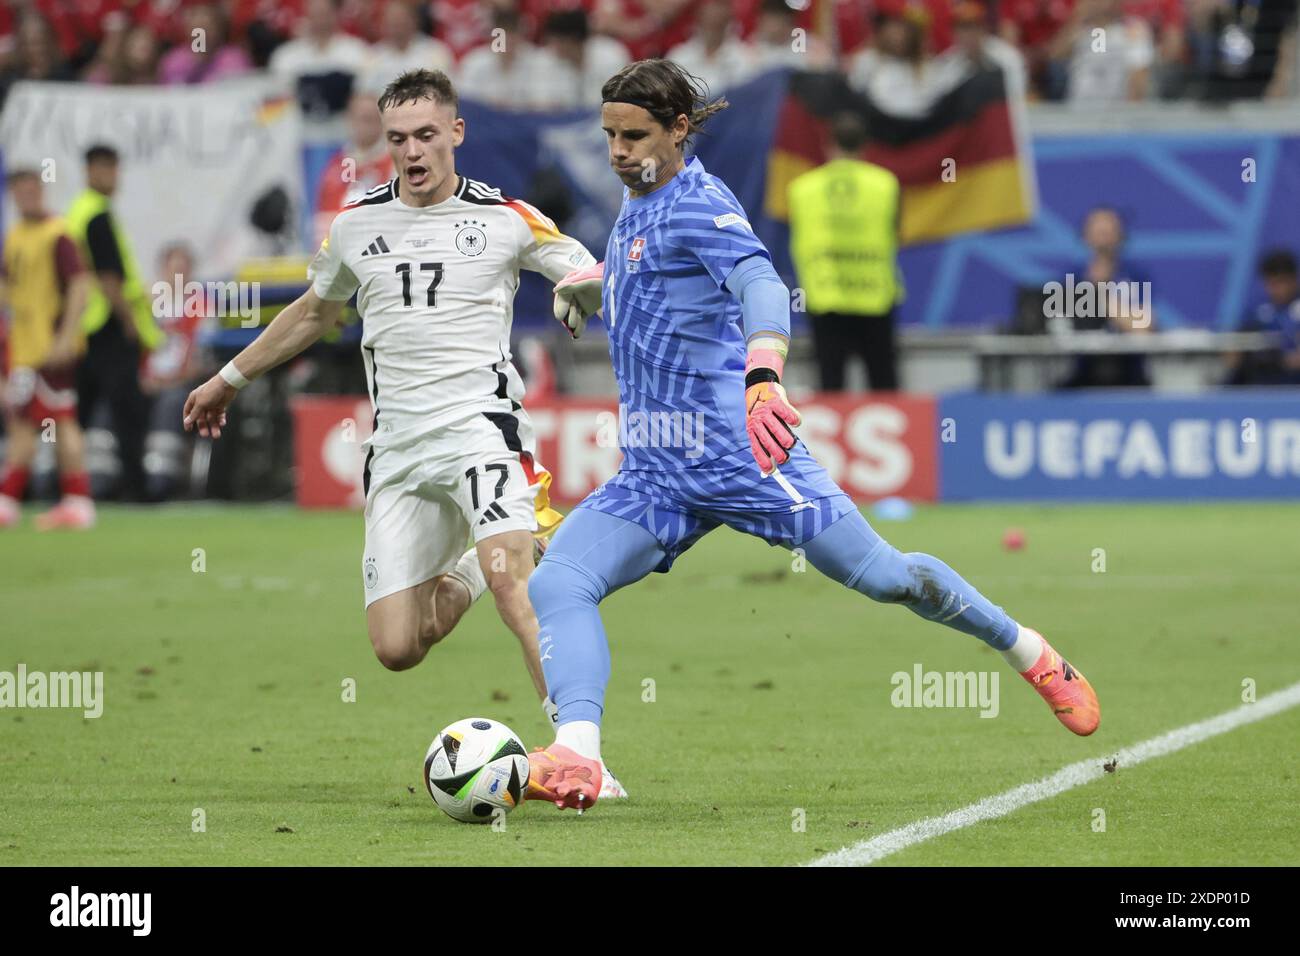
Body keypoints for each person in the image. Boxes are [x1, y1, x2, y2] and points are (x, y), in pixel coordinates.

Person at [525, 59, 1101, 811]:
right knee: (557, 581)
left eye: (634, 135)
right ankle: (579, 755)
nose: (618, 150)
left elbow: (759, 281)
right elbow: (657, 271)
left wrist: (763, 372)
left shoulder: (699, 204)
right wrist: (594, 283)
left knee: (891, 578)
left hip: (743, 455)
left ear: (677, 131)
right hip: (657, 472)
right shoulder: (639, 200)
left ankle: (1027, 649)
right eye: (608, 135)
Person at [181, 69, 626, 798]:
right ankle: (480, 563)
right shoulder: (355, 226)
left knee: (525, 589)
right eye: (398, 139)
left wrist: (584, 286)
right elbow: (313, 314)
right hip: (397, 452)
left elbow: (583, 263)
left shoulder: (507, 217)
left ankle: (581, 758)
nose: (413, 151)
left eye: (425, 134)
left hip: (484, 429)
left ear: (455, 132)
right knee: (396, 647)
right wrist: (228, 378)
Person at [66, 144, 164, 501]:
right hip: (107, 325)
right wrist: (129, 321)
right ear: (90, 170)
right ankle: (135, 487)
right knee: (127, 410)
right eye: (104, 167)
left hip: (84, 328)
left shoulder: (78, 211)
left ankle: (66, 486)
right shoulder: (97, 214)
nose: (111, 175)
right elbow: (109, 277)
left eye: (114, 167)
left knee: (78, 411)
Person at [0, 170, 95, 530]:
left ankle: (78, 501)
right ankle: (9, 499)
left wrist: (65, 337)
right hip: (23, 348)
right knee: (23, 421)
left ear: (41, 190)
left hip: (50, 346)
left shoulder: (58, 234)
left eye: (33, 190)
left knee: (61, 420)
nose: (28, 197)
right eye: (20, 191)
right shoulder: (14, 236)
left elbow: (79, 286)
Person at [788, 112, 902, 392]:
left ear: (829, 144)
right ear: (865, 145)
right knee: (884, 385)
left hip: (825, 294)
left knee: (831, 386)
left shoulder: (802, 189)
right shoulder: (886, 184)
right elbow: (896, 230)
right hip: (874, 295)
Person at [1057, 206, 1155, 389]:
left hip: (1129, 374)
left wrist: (1099, 294)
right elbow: (1057, 330)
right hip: (1082, 373)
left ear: (1121, 236)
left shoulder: (1135, 276)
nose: (1103, 239)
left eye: (1109, 232)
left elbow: (1143, 328)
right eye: (1098, 232)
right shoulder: (1071, 278)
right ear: (1085, 237)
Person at [1225, 249, 1300, 385]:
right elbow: (1234, 351)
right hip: (1261, 382)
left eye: (1281, 282)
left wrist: (1286, 360)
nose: (1277, 290)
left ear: (1294, 279)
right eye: (1271, 284)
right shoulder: (1258, 311)